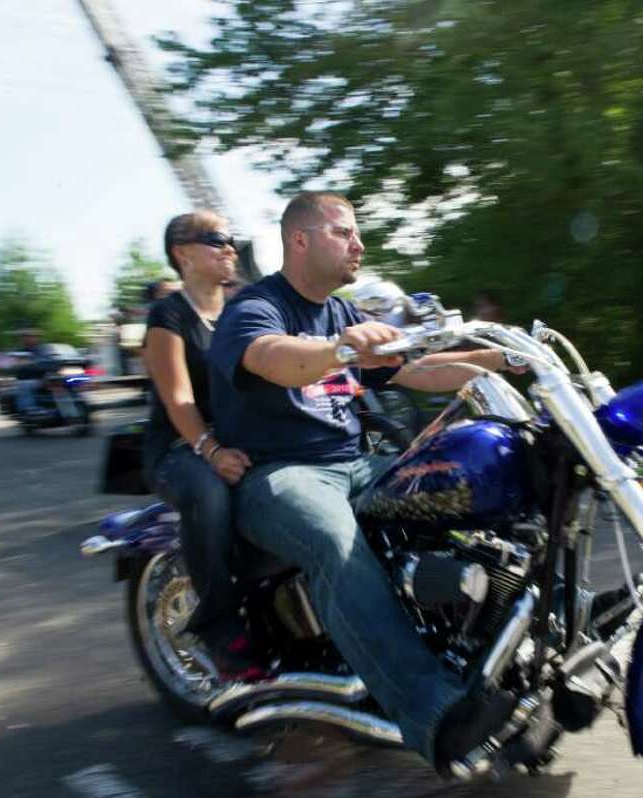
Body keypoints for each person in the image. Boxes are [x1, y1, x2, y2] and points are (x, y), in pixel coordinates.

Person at [208, 191, 532, 772]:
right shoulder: (255, 307)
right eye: (344, 232)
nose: (359, 244)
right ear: (300, 240)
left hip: (357, 463)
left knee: (471, 483)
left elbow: (419, 369)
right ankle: (433, 711)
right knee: (335, 542)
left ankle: (528, 630)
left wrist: (504, 358)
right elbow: (275, 358)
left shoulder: (342, 311)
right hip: (280, 475)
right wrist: (338, 349)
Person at [142, 210, 262, 681]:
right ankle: (219, 626)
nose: (229, 247)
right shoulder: (167, 314)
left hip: (240, 438)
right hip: (180, 447)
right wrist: (210, 450)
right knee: (208, 491)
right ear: (182, 253)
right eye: (215, 239)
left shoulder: (243, 306)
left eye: (232, 239)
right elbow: (177, 398)